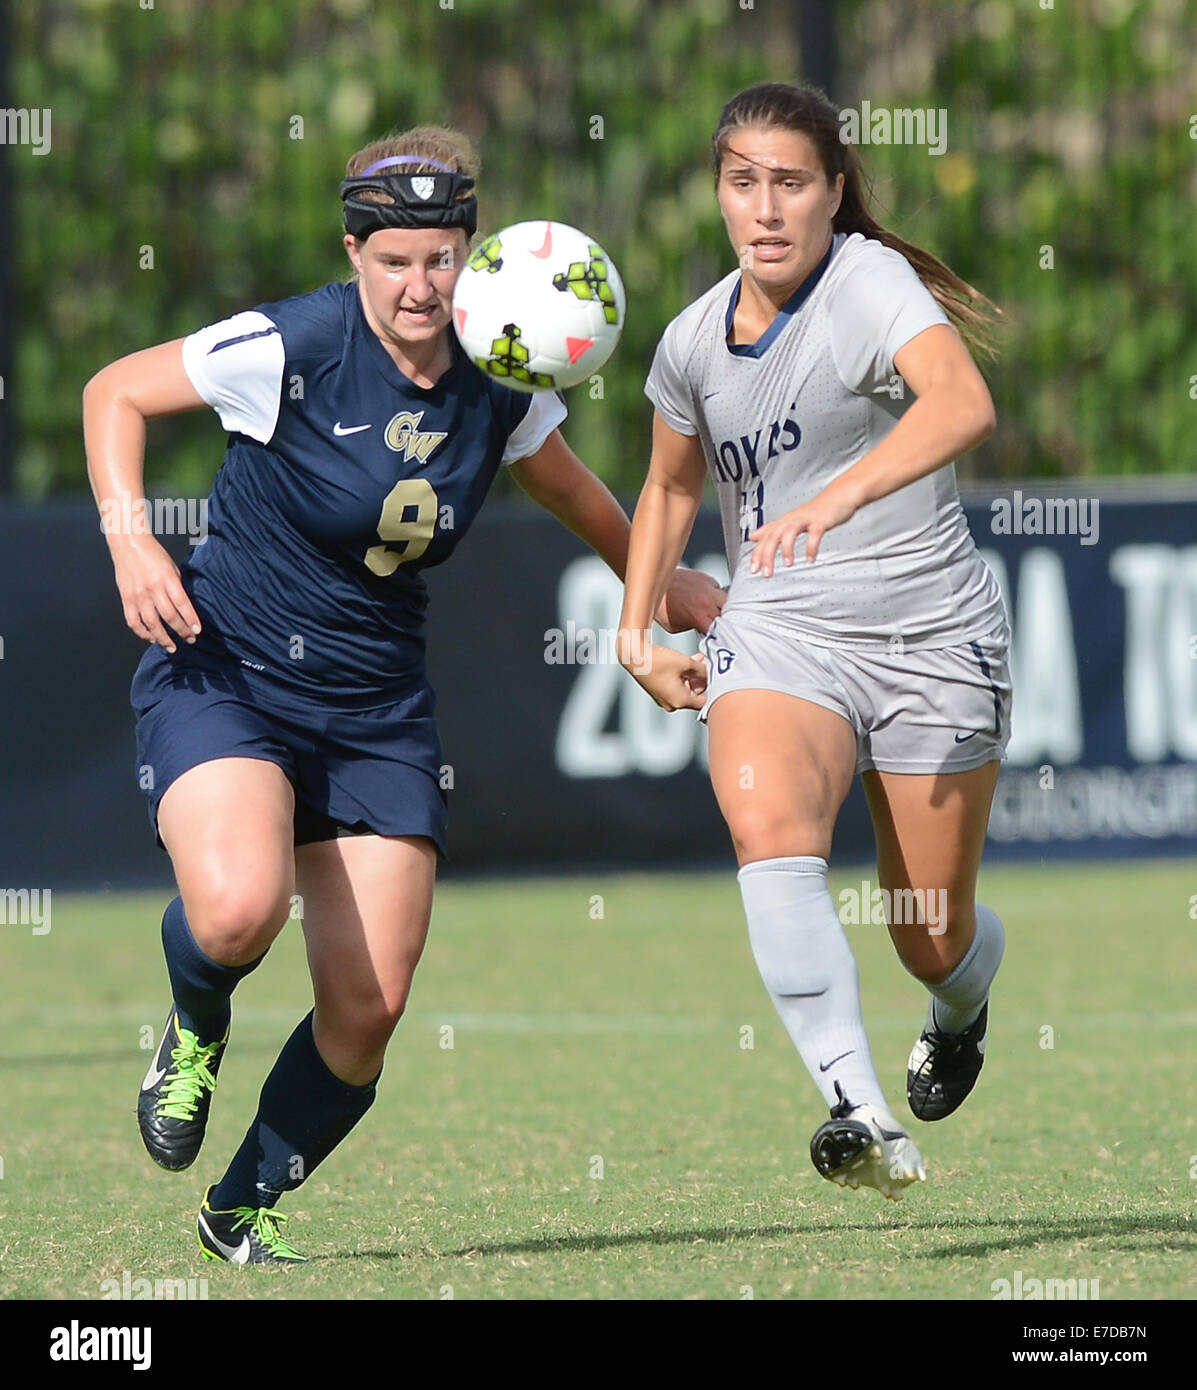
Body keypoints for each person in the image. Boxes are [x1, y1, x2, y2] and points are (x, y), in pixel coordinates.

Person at [83, 125, 723, 1262]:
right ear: (355, 253)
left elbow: (569, 488)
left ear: (473, 255)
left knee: (367, 1009)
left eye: (441, 257)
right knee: (237, 911)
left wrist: (660, 579)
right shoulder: (297, 341)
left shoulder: (502, 362)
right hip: (227, 669)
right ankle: (194, 1024)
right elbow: (113, 393)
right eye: (394, 260)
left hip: (374, 710)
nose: (419, 284)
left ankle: (239, 1209)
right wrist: (134, 542)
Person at [617, 82, 1010, 1199]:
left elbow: (960, 404)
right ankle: (861, 1110)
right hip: (781, 628)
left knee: (928, 933)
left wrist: (834, 501)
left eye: (792, 182)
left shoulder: (867, 284)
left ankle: (963, 1005)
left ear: (835, 192)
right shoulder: (693, 338)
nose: (768, 208)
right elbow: (665, 484)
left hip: (931, 631)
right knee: (768, 829)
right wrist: (635, 629)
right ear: (719, 195)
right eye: (743, 182)